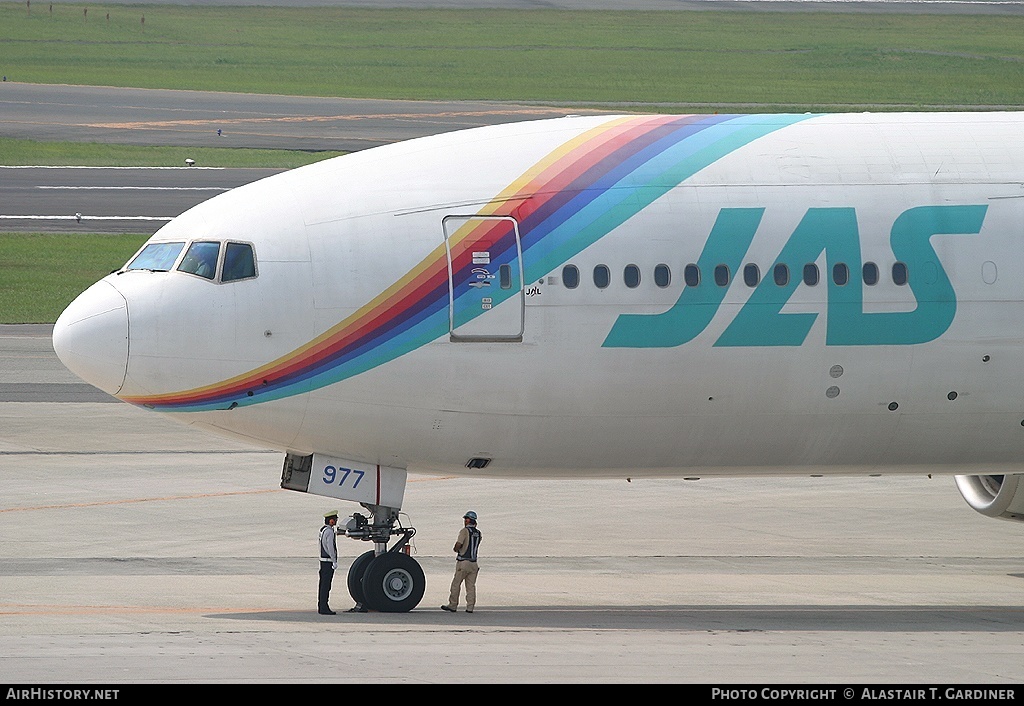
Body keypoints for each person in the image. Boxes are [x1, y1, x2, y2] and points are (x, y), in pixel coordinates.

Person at [441, 511, 482, 614]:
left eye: (465, 519)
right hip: (474, 563)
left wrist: (456, 549)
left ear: (468, 520)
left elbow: (459, 544)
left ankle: (453, 605)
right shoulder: (478, 533)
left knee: (456, 584)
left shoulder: (464, 531)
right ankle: (470, 607)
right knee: (471, 587)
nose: (464, 521)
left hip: (464, 562)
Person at [318, 510, 339, 615]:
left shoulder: (322, 530)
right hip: (328, 562)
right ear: (331, 521)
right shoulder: (329, 532)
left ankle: (321, 606)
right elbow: (330, 547)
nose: (336, 521)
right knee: (326, 585)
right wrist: (334, 560)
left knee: (322, 585)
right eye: (335, 519)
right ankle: (324, 607)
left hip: (322, 561)